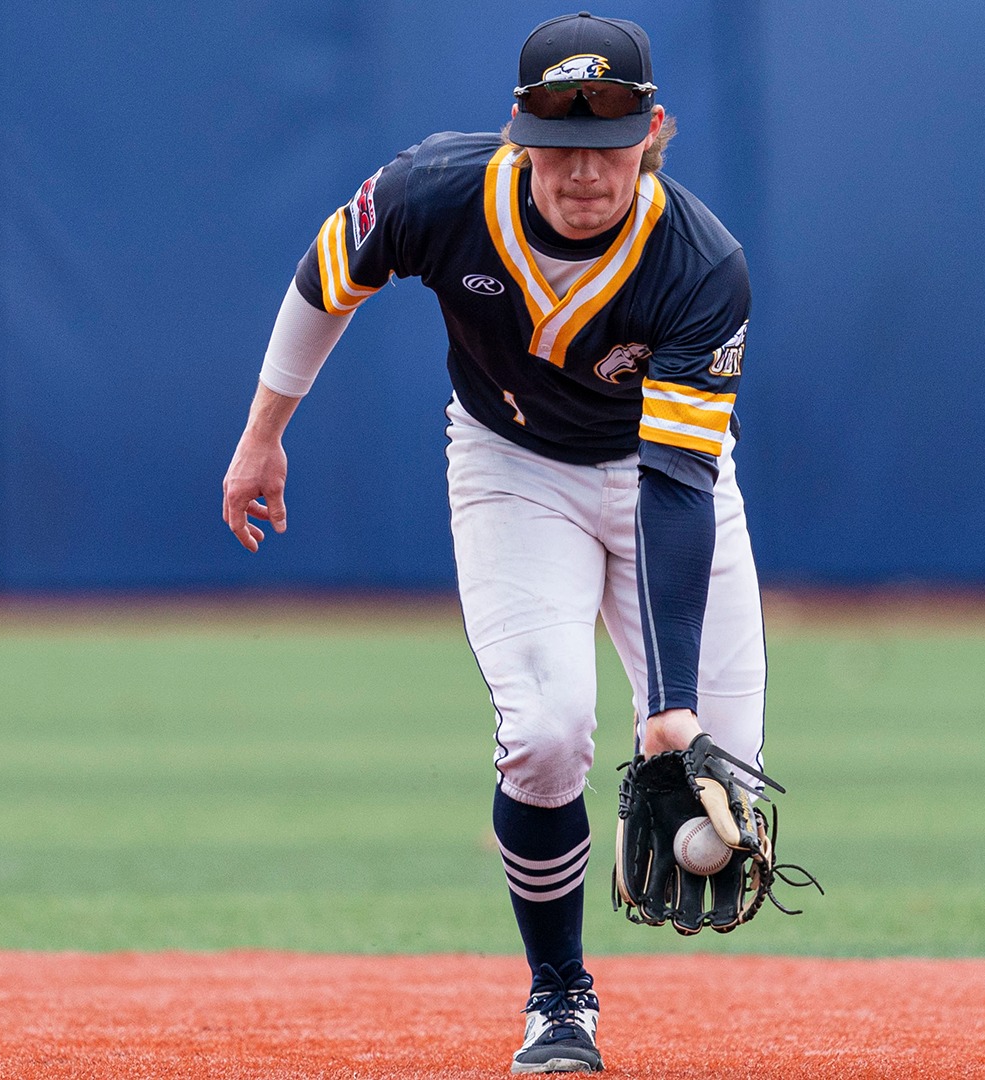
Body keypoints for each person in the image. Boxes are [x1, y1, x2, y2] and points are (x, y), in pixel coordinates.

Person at [221, 12, 763, 1073]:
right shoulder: (436, 191)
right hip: (512, 467)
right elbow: (325, 278)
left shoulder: (702, 266)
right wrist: (261, 435)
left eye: (608, 142)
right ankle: (559, 996)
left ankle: (646, 772)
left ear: (652, 133)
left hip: (660, 478)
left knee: (720, 776)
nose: (583, 170)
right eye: (559, 143)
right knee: (548, 733)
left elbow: (673, 485)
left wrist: (669, 707)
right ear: (518, 134)